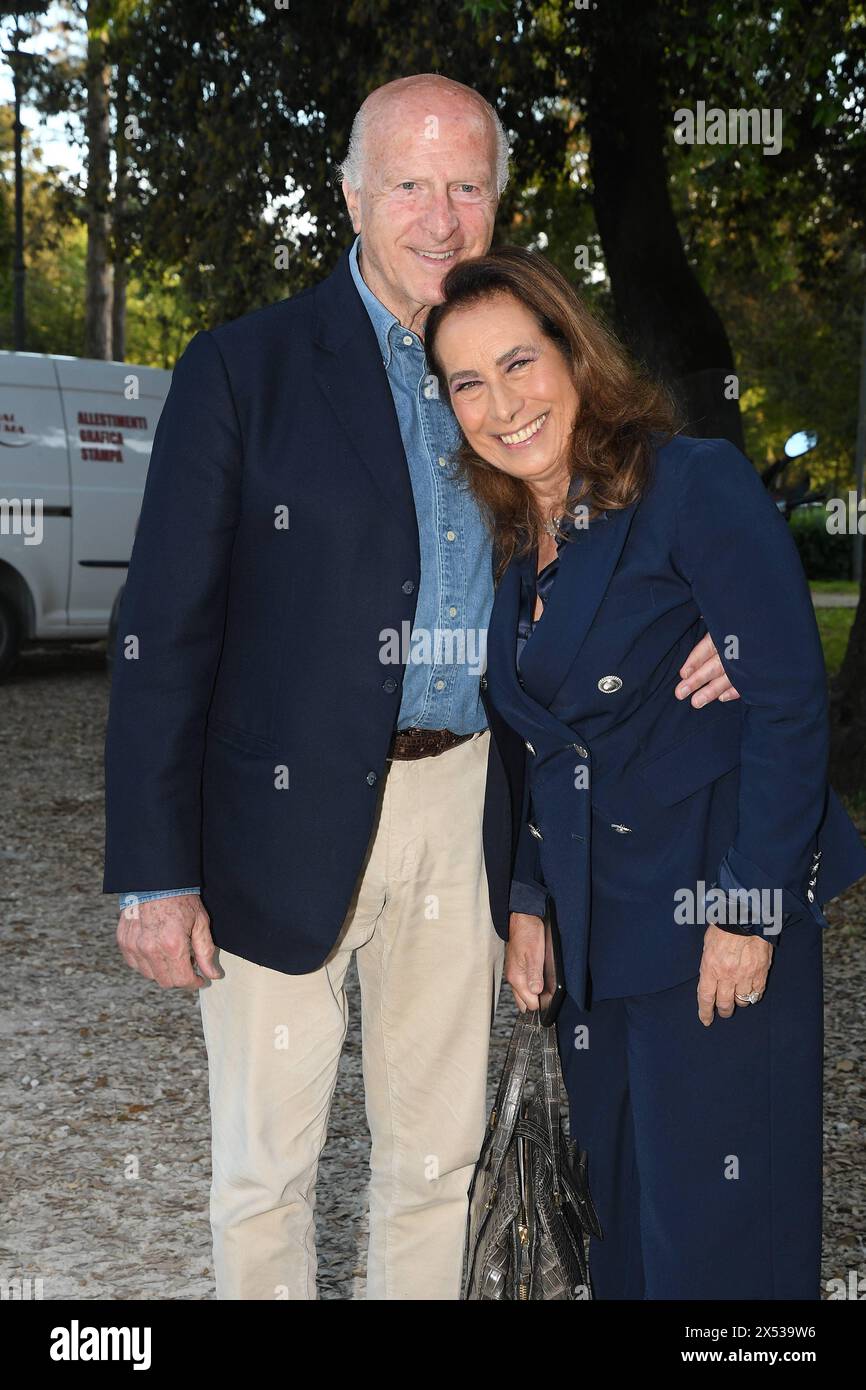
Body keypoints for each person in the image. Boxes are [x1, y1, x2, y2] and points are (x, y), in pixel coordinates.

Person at [104, 76, 734, 1302]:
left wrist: (733, 627)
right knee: (265, 1169)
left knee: (435, 1160)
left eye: (467, 184)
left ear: (497, 197)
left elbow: (646, 518)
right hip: (271, 821)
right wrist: (153, 870)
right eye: (409, 184)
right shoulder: (245, 367)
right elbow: (161, 630)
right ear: (350, 195)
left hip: (464, 802)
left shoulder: (524, 367)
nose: (440, 216)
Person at [424, 245, 866, 1301]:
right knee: (625, 1228)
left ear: (575, 353)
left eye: (520, 363)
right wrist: (525, 903)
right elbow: (535, 740)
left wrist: (747, 910)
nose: (501, 403)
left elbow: (786, 702)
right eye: (467, 383)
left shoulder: (689, 483)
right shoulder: (509, 537)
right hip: (595, 937)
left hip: (710, 911)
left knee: (720, 1239)